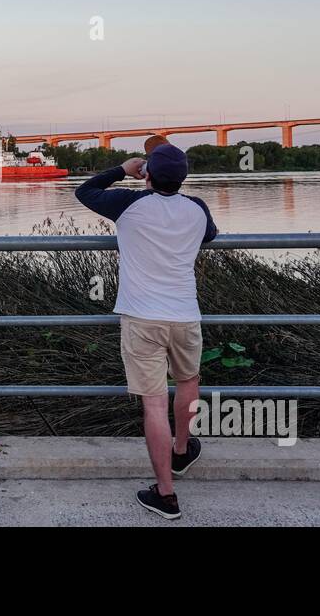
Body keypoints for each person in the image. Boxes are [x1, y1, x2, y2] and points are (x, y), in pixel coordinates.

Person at [75, 142, 218, 520]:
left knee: (153, 403)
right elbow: (210, 236)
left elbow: (84, 191)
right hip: (186, 315)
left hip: (142, 318)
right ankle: (182, 452)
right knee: (189, 380)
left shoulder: (127, 204)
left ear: (148, 174)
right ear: (184, 178)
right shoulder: (198, 208)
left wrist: (123, 168)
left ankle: (166, 494)